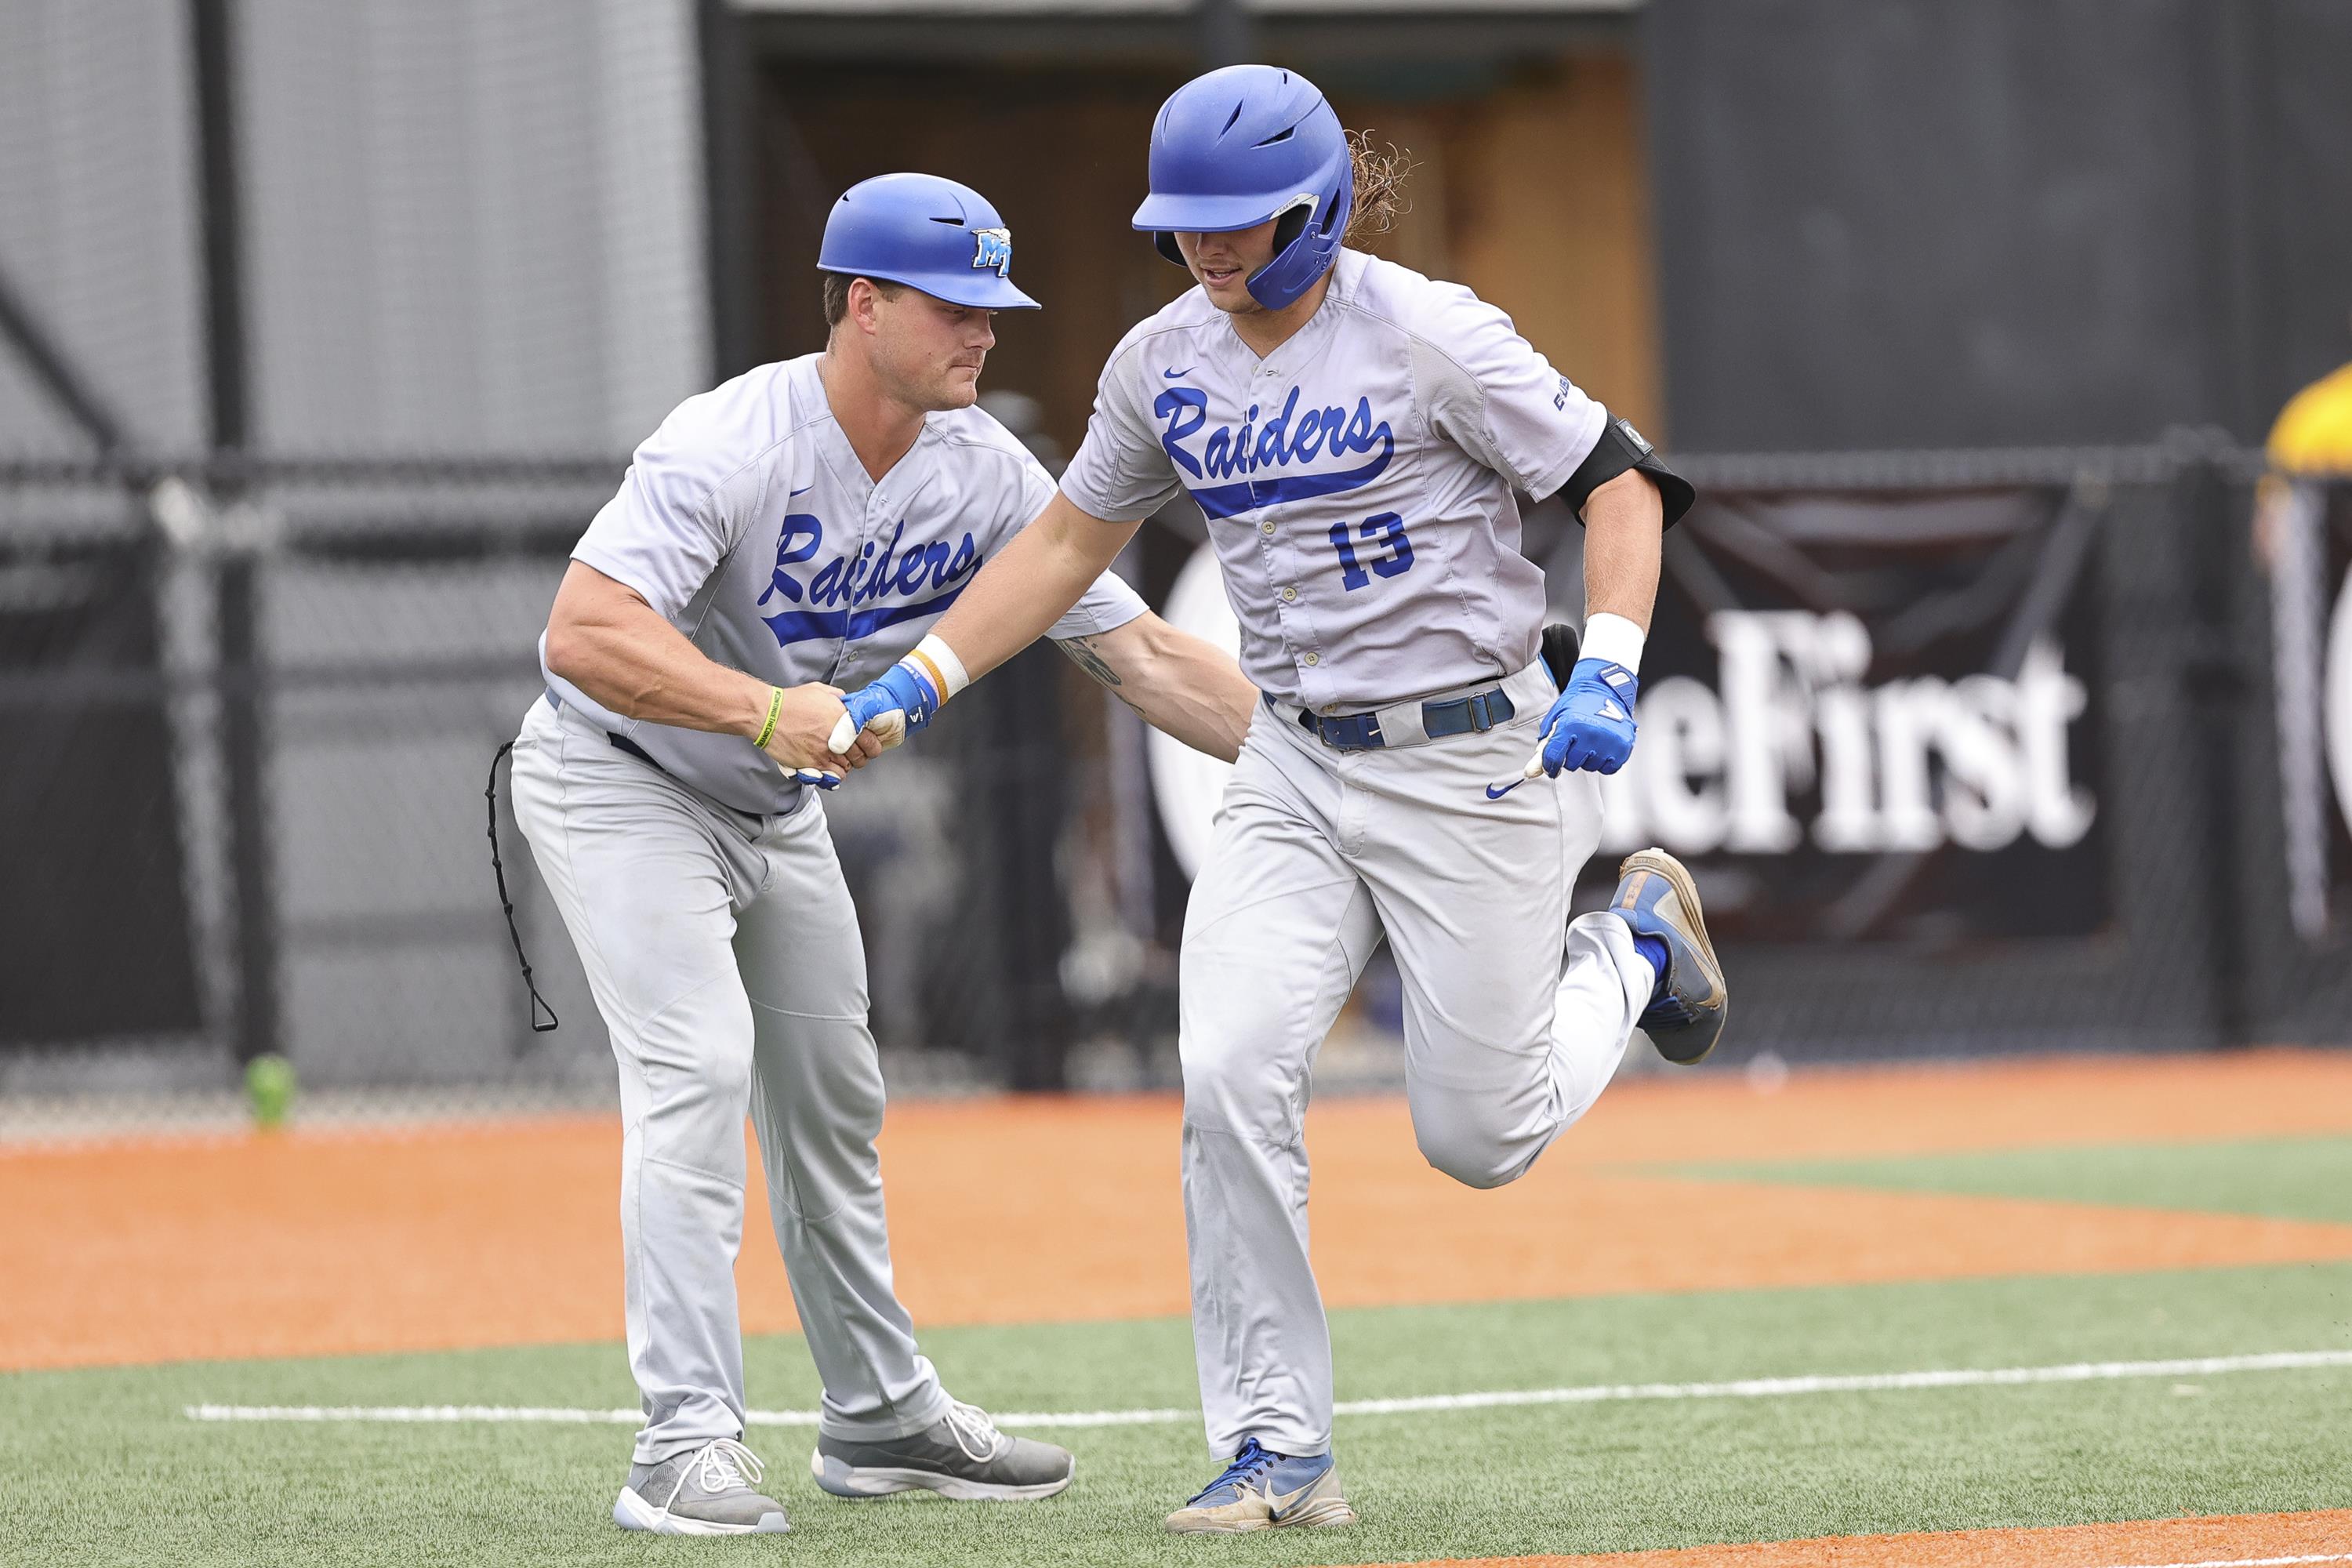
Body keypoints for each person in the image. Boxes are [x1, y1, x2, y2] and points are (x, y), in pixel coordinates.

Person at [831, 67, 1727, 1534]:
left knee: (1480, 1137)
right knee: (1229, 1067)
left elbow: (1620, 484)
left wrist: (1614, 665)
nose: (1204, 243)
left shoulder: (1430, 331)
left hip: (1467, 756)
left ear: (1314, 208)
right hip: (1295, 760)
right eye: (1184, 219)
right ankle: (1276, 1448)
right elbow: (1062, 548)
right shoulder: (1159, 360)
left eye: (1236, 217)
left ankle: (1631, 945)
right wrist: (921, 677)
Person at [508, 172, 1259, 1536]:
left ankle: (876, 1416)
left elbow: (1143, 654)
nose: (985, 330)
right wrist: (765, 710)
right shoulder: (733, 439)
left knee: (835, 1103)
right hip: (618, 778)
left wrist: (1327, 768)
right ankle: (681, 1446)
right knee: (698, 1068)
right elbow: (582, 633)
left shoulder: (982, 466)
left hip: (771, 805)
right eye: (954, 304)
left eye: (993, 305)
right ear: (862, 304)